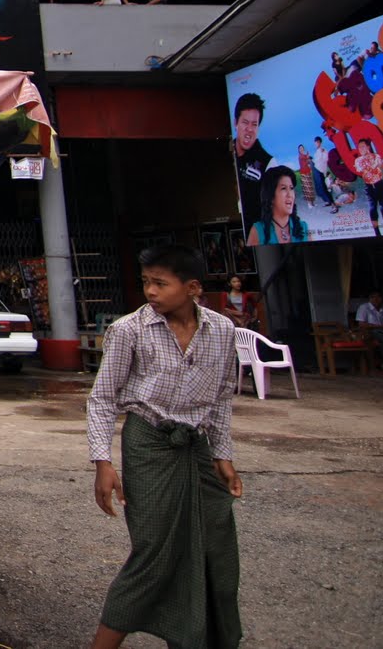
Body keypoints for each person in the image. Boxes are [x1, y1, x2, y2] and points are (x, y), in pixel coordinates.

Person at [86, 243, 242, 649]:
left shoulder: (222, 331)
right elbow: (103, 398)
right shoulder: (128, 330)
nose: (150, 292)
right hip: (148, 444)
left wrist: (223, 455)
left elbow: (222, 397)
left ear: (191, 288)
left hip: (196, 448)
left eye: (160, 283)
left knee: (214, 549)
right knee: (153, 554)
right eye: (145, 283)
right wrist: (103, 462)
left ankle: (192, 638)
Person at [231, 92, 272, 234]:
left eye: (254, 124)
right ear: (236, 123)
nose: (249, 129)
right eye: (245, 122)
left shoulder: (268, 162)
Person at [246, 166, 309, 245]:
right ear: (271, 196)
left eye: (291, 188)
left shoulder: (303, 227)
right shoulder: (258, 230)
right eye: (283, 188)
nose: (290, 194)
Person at [354, 138, 383, 237]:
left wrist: (381, 164)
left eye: (363, 146)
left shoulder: (376, 156)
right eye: (359, 147)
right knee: (373, 208)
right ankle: (377, 233)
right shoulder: (358, 160)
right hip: (369, 186)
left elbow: (379, 169)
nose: (361, 149)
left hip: (379, 183)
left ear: (368, 147)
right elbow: (363, 170)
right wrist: (374, 167)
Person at [354, 291, 383, 369]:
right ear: (369, 299)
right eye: (373, 297)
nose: (376, 299)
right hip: (371, 331)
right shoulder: (364, 307)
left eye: (378, 297)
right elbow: (361, 324)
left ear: (382, 298)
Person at [311, 136, 335, 213]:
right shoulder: (316, 151)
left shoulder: (323, 150)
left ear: (320, 142)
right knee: (318, 189)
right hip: (315, 170)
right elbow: (315, 161)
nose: (316, 143)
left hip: (320, 171)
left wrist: (322, 153)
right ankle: (327, 201)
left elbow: (325, 160)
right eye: (315, 142)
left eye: (318, 142)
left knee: (323, 188)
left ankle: (333, 205)